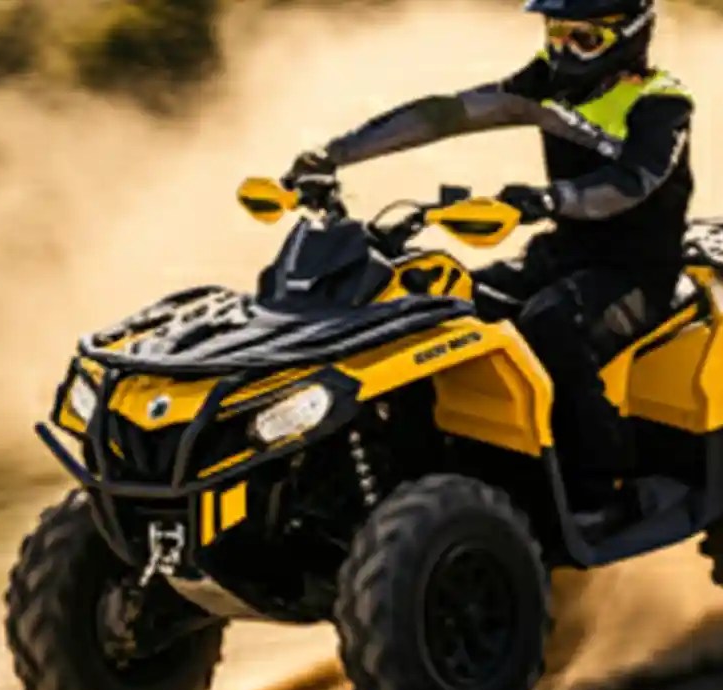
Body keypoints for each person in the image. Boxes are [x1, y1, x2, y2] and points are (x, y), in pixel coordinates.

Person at [282, 0, 694, 539]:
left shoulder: (661, 102)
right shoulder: (546, 82)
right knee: (439, 312)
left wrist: (551, 198)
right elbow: (446, 115)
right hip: (563, 254)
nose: (564, 51)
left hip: (638, 272)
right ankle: (443, 467)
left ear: (629, 37)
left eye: (584, 40)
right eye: (557, 35)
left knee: (551, 326)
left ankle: (602, 491)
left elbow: (632, 183)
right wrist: (334, 153)